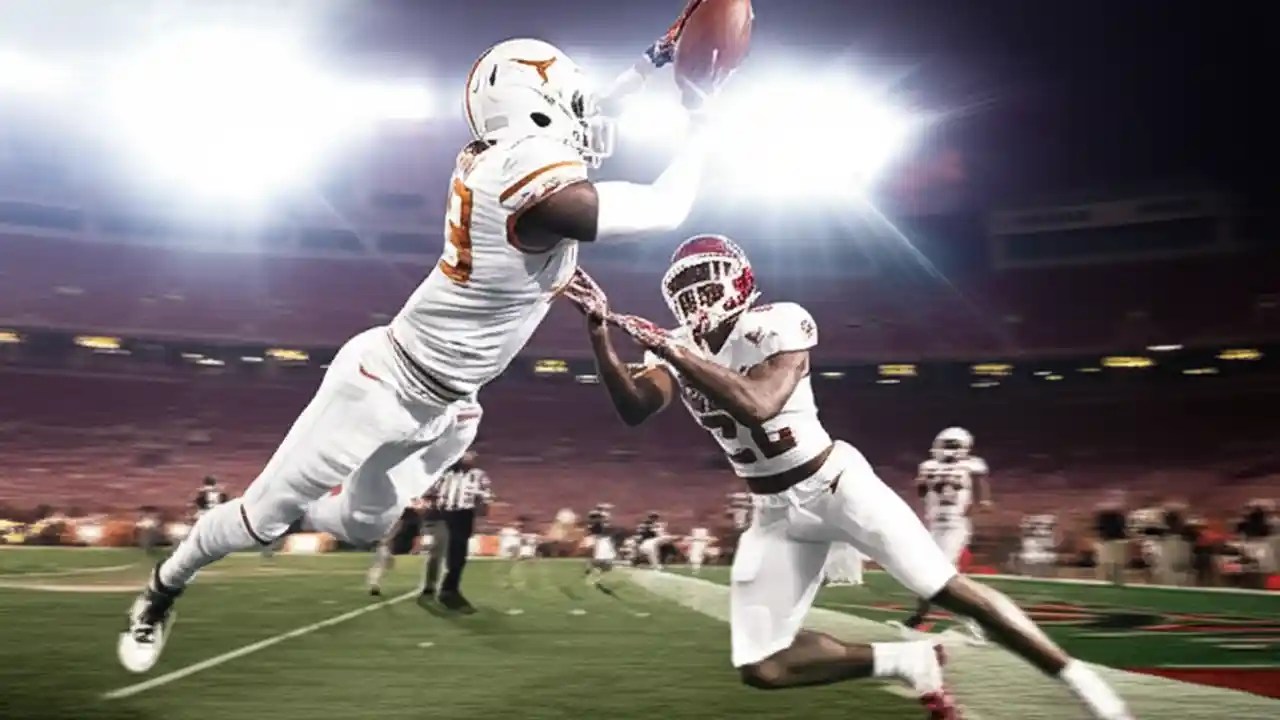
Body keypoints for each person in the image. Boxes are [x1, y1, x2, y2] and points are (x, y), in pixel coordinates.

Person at [117, 3, 717, 674]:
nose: (589, 117)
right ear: (537, 113)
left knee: (370, 526)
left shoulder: (513, 151)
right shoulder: (531, 185)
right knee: (259, 520)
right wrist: (702, 115)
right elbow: (666, 206)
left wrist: (654, 61)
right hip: (384, 384)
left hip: (454, 408)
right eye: (566, 103)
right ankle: (162, 589)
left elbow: (583, 102)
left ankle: (310, 506)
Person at [565, 237, 1132, 720]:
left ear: (740, 282)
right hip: (774, 513)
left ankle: (1083, 684)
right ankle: (908, 661)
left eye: (707, 284)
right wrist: (600, 337)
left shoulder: (778, 320)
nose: (697, 299)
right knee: (764, 667)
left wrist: (669, 348)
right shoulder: (680, 346)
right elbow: (636, 407)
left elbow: (759, 404)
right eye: (685, 290)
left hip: (836, 485)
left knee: (945, 588)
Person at [892, 428, 991, 645]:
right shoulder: (928, 466)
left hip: (955, 526)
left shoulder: (972, 466)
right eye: (947, 444)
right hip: (935, 527)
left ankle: (975, 625)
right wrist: (923, 481)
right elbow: (921, 492)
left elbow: (983, 497)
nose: (949, 449)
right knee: (923, 574)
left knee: (942, 577)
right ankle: (918, 619)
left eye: (954, 445)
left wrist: (975, 506)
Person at [420, 451, 491, 612]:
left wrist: (482, 503)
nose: (468, 458)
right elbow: (430, 493)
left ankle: (449, 590)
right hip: (443, 515)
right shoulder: (445, 474)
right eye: (465, 454)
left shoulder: (479, 475)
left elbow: (486, 498)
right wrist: (429, 505)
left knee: (458, 556)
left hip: (464, 516)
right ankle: (430, 586)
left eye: (471, 455)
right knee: (437, 550)